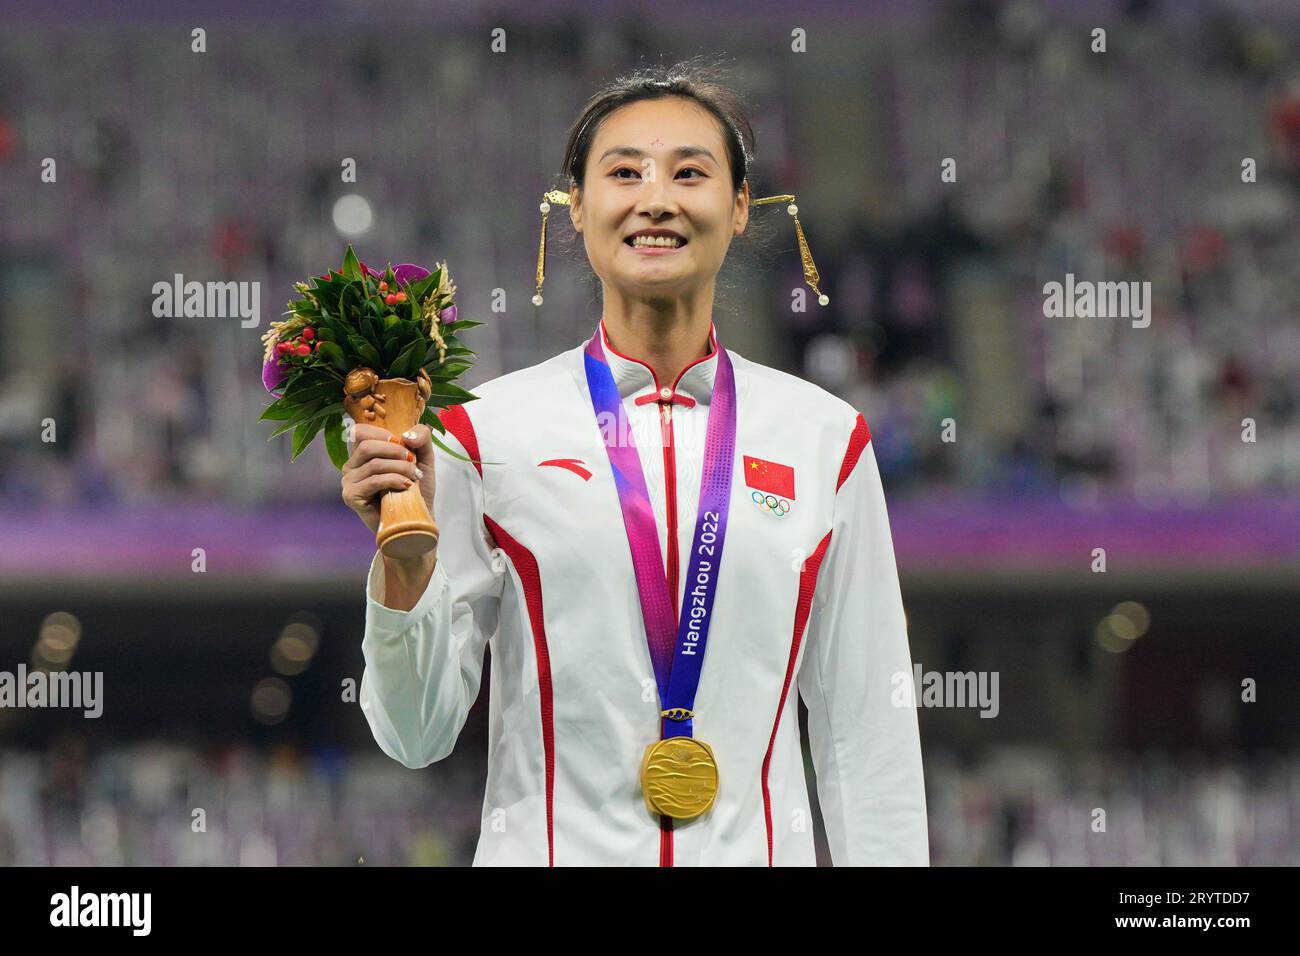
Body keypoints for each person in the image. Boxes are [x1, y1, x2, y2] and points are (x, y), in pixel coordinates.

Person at [341, 60, 927, 866]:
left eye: (691, 172)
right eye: (623, 173)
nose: (657, 198)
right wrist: (403, 568)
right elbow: (416, 734)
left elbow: (870, 735)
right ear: (576, 208)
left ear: (740, 203)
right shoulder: (483, 432)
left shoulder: (825, 440)